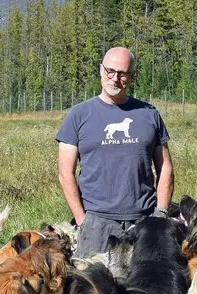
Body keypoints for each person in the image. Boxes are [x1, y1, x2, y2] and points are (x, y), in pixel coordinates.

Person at [56, 47, 173, 259]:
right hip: (97, 223)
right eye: (110, 71)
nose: (115, 78)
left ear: (131, 76)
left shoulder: (149, 114)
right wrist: (82, 220)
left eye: (122, 73)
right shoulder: (78, 115)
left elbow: (165, 166)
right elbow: (65, 173)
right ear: (101, 70)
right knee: (93, 289)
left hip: (145, 221)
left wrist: (162, 213)